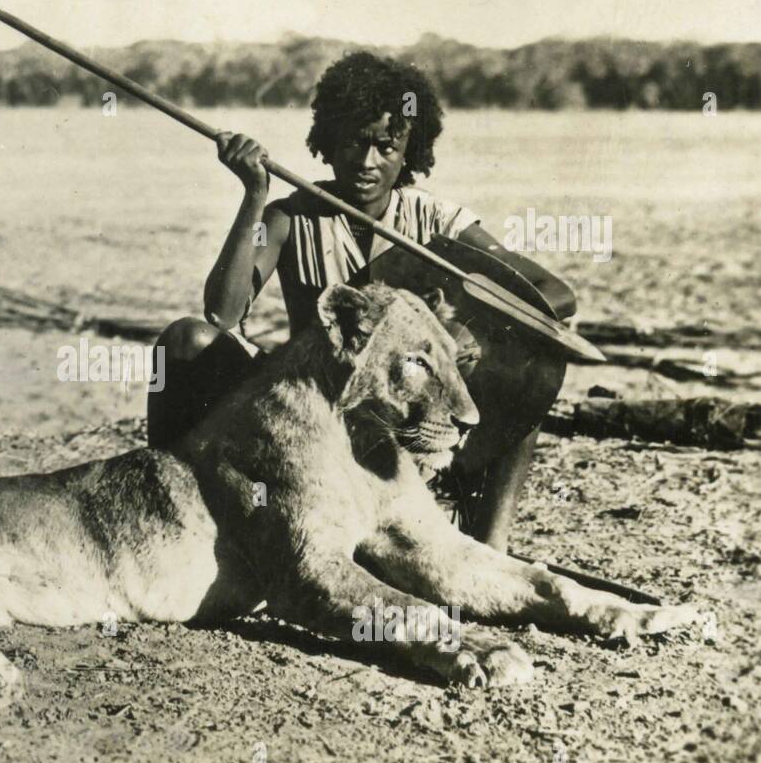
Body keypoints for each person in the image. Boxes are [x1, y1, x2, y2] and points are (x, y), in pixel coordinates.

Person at [146, 51, 575, 552]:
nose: (368, 162)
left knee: (528, 380)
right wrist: (255, 193)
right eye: (354, 142)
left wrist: (457, 336)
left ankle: (489, 546)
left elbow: (553, 297)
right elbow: (222, 314)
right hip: (310, 414)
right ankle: (168, 510)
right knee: (184, 340)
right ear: (327, 143)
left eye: (385, 146)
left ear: (408, 150)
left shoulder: (440, 223)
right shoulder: (291, 218)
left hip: (397, 412)